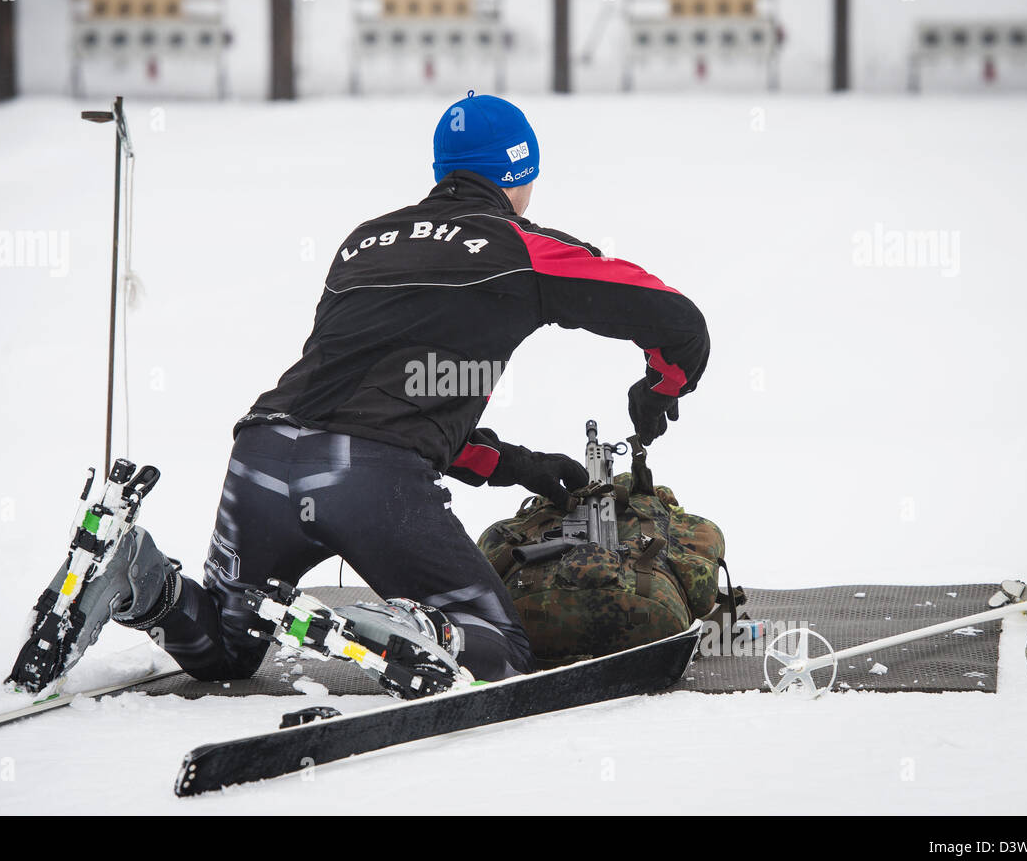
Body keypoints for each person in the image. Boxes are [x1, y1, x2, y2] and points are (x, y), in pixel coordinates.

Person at [65, 93, 710, 688]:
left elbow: (369, 398)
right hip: (366, 480)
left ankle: (147, 587)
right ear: (521, 173)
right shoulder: (525, 248)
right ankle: (420, 629)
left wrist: (516, 464)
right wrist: (662, 386)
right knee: (503, 651)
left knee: (230, 651)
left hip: (261, 456)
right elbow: (677, 320)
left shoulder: (361, 244)